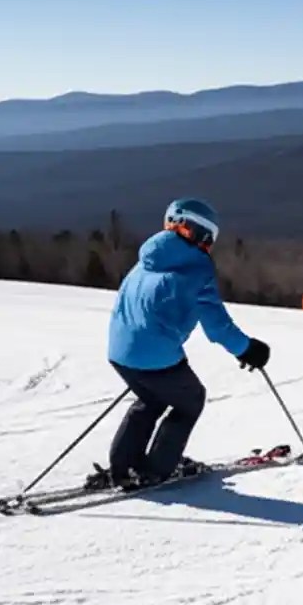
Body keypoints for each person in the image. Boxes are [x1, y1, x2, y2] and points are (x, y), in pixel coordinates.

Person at [89, 197, 270, 490]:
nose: (209, 247)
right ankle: (157, 469)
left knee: (151, 400)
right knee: (191, 400)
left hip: (120, 352)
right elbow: (217, 325)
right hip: (155, 356)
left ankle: (122, 466)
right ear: (201, 234)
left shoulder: (148, 257)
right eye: (210, 240)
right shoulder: (197, 267)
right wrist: (248, 349)